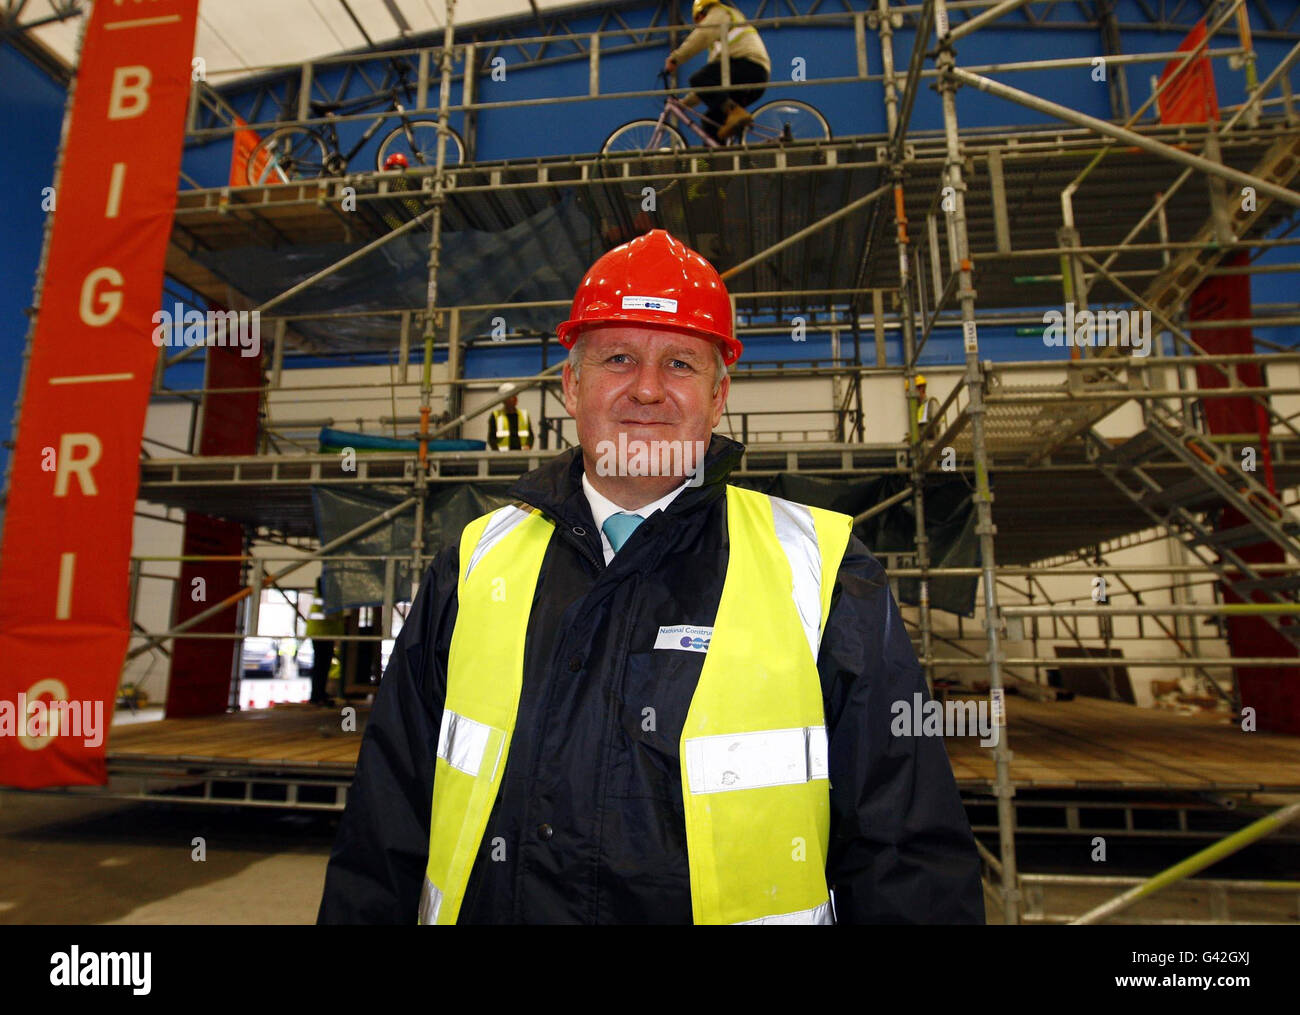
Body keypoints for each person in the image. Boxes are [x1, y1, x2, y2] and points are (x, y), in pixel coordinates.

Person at [318, 229, 984, 925]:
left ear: (718, 396)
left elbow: (905, 856)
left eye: (679, 364)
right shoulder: (474, 562)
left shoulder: (825, 573)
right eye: (617, 357)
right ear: (571, 385)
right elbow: (384, 825)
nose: (647, 389)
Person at [665, 0, 771, 142]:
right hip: (746, 76)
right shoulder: (720, 44)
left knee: (697, 79)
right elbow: (710, 86)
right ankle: (711, 163)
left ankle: (734, 112)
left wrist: (675, 59)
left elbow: (701, 36)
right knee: (710, 122)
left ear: (702, 12)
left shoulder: (719, 13)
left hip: (748, 67)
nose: (698, 25)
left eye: (698, 20)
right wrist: (686, 103)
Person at [305, 579, 343, 707]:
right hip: (322, 633)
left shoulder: (323, 595)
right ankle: (317, 695)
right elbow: (331, 615)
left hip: (322, 632)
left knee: (322, 665)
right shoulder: (327, 597)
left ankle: (319, 694)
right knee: (321, 665)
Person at [487, 381, 534, 451]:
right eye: (512, 396)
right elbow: (491, 438)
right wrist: (497, 452)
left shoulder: (524, 415)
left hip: (522, 456)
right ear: (504, 399)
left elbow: (530, 436)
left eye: (516, 395)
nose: (515, 398)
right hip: (502, 458)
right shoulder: (496, 416)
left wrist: (528, 445)